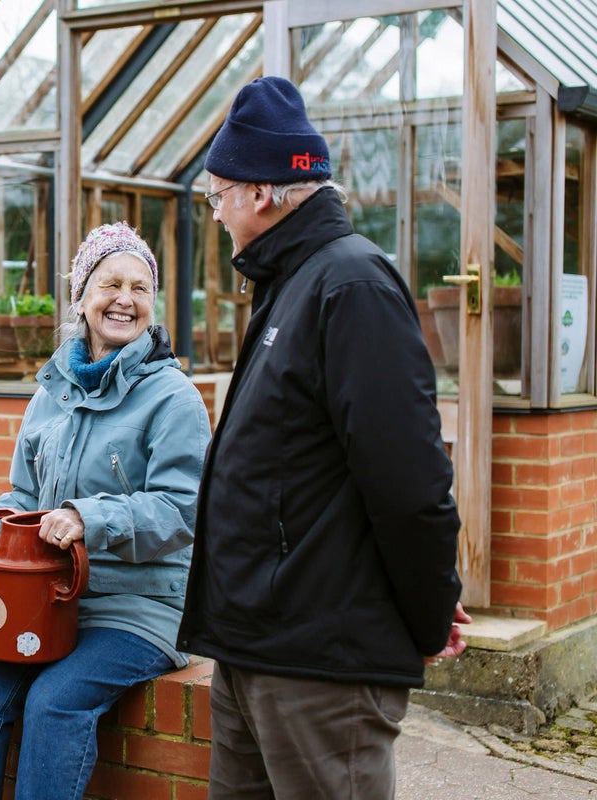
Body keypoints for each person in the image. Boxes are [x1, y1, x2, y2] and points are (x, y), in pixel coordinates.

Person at [175, 76, 470, 799]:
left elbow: (408, 485)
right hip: (255, 650)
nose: (215, 214)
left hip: (319, 666)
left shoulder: (350, 285)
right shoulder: (291, 281)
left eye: (217, 196)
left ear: (262, 193)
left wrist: (429, 610)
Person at [0, 222, 210, 799]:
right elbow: (26, 506)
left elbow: (182, 510)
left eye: (139, 287)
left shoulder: (174, 398)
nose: (125, 299)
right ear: (81, 297)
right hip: (54, 602)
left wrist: (87, 517)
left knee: (55, 699)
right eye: (109, 284)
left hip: (143, 607)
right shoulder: (51, 393)